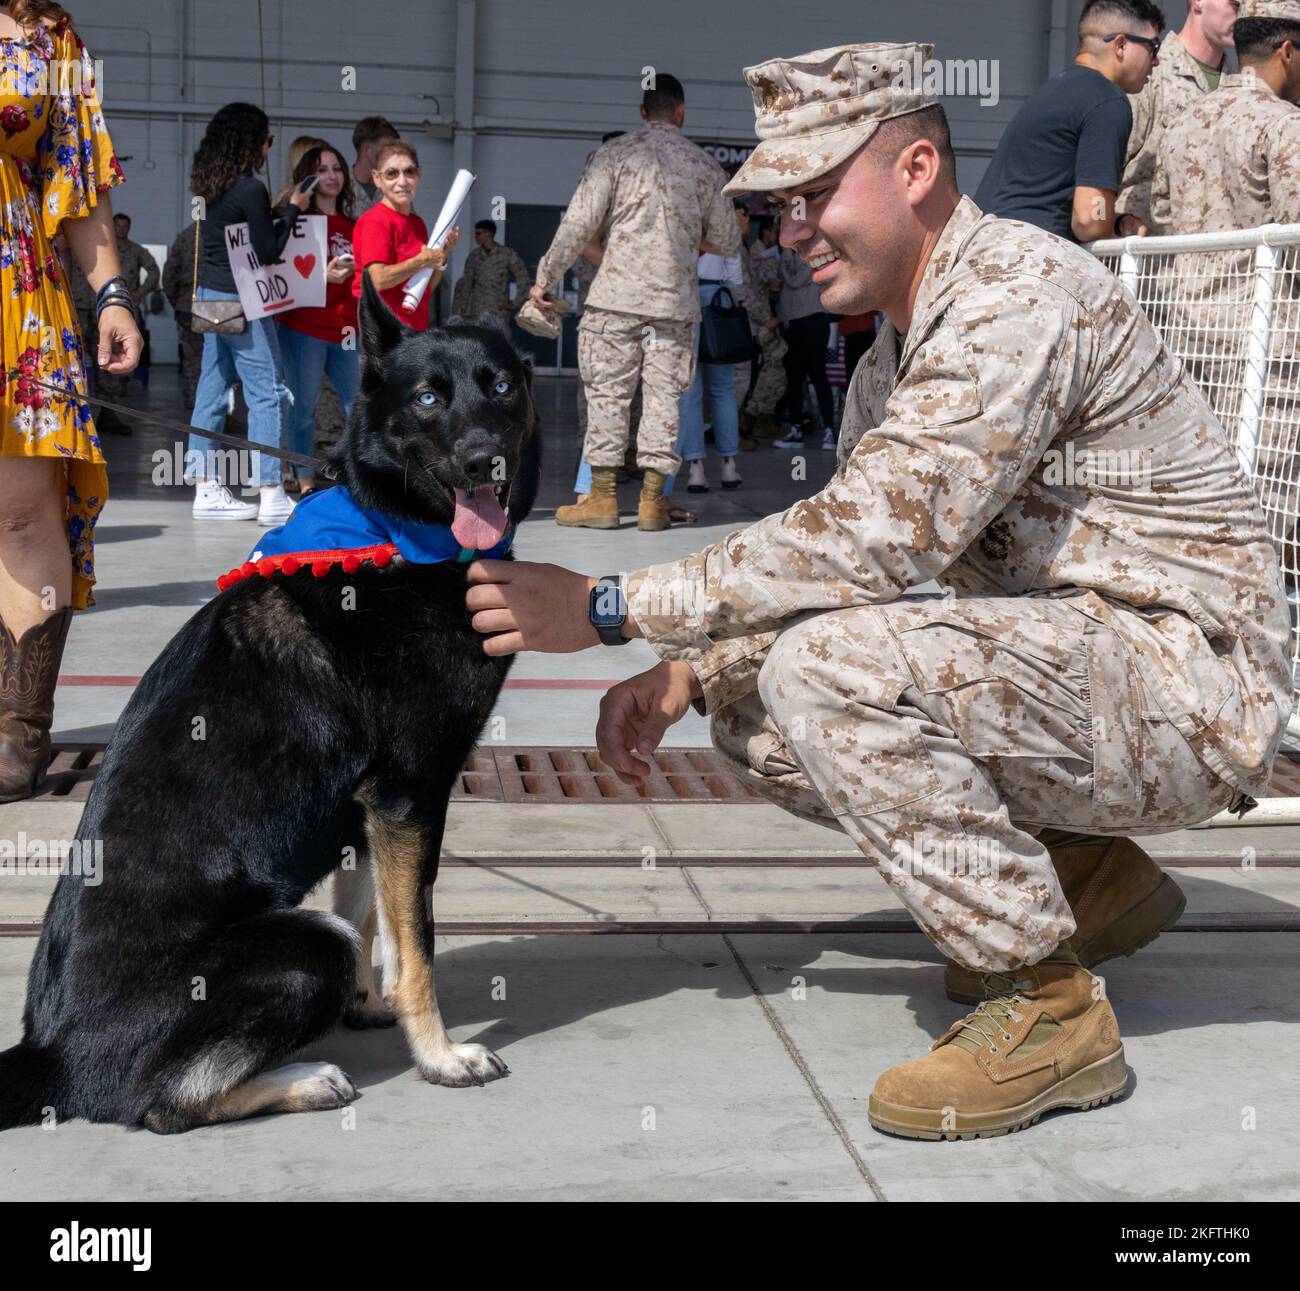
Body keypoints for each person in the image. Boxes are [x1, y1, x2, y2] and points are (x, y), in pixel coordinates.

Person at [462, 41, 1291, 1140]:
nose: (790, 229)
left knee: (826, 672)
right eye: (780, 205)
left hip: (1187, 679)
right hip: (1088, 660)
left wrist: (613, 609)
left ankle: (1047, 1007)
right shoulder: (887, 363)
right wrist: (688, 672)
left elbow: (871, 543)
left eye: (813, 195)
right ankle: (1082, 882)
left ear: (913, 169)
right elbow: (828, 562)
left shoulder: (1014, 292)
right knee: (752, 705)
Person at [0, 0, 141, 803]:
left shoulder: (51, 41)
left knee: (23, 511)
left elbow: (77, 183)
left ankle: (19, 727)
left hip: (17, 290)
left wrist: (114, 292)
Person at [531, 72, 740, 532]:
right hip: (673, 306)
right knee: (665, 401)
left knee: (608, 397)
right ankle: (652, 504)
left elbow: (577, 225)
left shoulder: (614, 155)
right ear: (681, 111)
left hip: (615, 302)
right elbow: (728, 239)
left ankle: (602, 501)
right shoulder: (705, 167)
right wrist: (685, 234)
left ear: (642, 112)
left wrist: (544, 279)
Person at [1150, 0, 1300, 572]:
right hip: (1269, 353)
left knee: (1198, 495)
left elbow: (1161, 217)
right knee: (1270, 503)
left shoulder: (1184, 123)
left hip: (1189, 343)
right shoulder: (1284, 126)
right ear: (1286, 50)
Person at [188, 101, 312, 523]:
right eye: (267, 139)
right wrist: (293, 208)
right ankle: (271, 492)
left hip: (208, 295)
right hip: (242, 298)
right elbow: (269, 251)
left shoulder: (209, 183)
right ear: (252, 142)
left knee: (213, 388)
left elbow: (239, 231)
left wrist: (274, 212)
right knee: (267, 393)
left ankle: (205, 486)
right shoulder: (250, 188)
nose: (268, 148)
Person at [975, 0, 1163, 242]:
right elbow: (1090, 221)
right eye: (1153, 47)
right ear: (1120, 45)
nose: (1156, 61)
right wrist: (1110, 227)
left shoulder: (1054, 90)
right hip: (1026, 259)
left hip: (984, 249)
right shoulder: (1107, 100)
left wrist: (1114, 222)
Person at [276, 143, 358, 495]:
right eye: (322, 169)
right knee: (303, 406)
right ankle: (305, 479)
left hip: (346, 330)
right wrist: (323, 277)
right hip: (303, 328)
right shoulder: (298, 222)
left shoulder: (354, 225)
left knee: (358, 405)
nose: (331, 176)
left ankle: (359, 475)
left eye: (337, 168)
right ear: (309, 177)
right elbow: (278, 277)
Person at [1116, 0, 1240, 232]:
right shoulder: (1151, 72)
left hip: (1215, 254)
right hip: (1148, 254)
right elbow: (1109, 162)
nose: (1241, 15)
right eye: (1234, 4)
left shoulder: (1238, 86)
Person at [351, 139, 456, 333]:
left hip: (411, 331)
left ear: (419, 175)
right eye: (392, 173)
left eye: (409, 172)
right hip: (382, 334)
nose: (402, 181)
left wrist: (442, 256)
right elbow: (378, 280)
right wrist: (421, 261)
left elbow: (426, 287)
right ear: (376, 178)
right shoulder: (375, 221)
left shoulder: (417, 224)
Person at [94, 211, 159, 427]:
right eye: (117, 226)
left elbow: (153, 271)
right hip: (83, 306)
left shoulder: (136, 251)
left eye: (124, 226)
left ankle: (108, 412)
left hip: (115, 312)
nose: (121, 230)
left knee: (111, 359)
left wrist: (140, 292)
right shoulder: (96, 248)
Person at [774, 242, 835, 449]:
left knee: (817, 375)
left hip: (812, 320)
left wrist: (784, 253)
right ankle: (796, 429)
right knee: (794, 378)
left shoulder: (809, 253)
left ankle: (829, 431)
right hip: (795, 322)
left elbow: (794, 279)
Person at [735, 203, 787, 443]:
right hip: (753, 321)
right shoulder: (742, 250)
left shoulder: (743, 248)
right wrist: (765, 319)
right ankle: (747, 420)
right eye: (743, 216)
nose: (748, 222)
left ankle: (750, 421)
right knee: (746, 375)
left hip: (755, 320)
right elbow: (746, 290)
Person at [452, 219, 530, 330]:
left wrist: (514, 302)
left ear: (488, 234)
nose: (475, 236)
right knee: (478, 342)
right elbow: (467, 284)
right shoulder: (474, 256)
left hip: (498, 310)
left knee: (499, 342)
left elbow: (523, 278)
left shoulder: (506, 254)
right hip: (477, 311)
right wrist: (462, 308)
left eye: (478, 233)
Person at [161, 220, 203, 409]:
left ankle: (195, 402)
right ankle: (215, 410)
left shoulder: (186, 235)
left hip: (187, 305)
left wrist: (177, 303)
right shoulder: (223, 229)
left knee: (193, 357)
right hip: (219, 305)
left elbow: (169, 273)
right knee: (218, 358)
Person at [351, 115, 399, 217]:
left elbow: (407, 226)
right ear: (367, 150)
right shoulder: (340, 187)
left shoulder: (393, 187)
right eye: (387, 149)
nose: (392, 155)